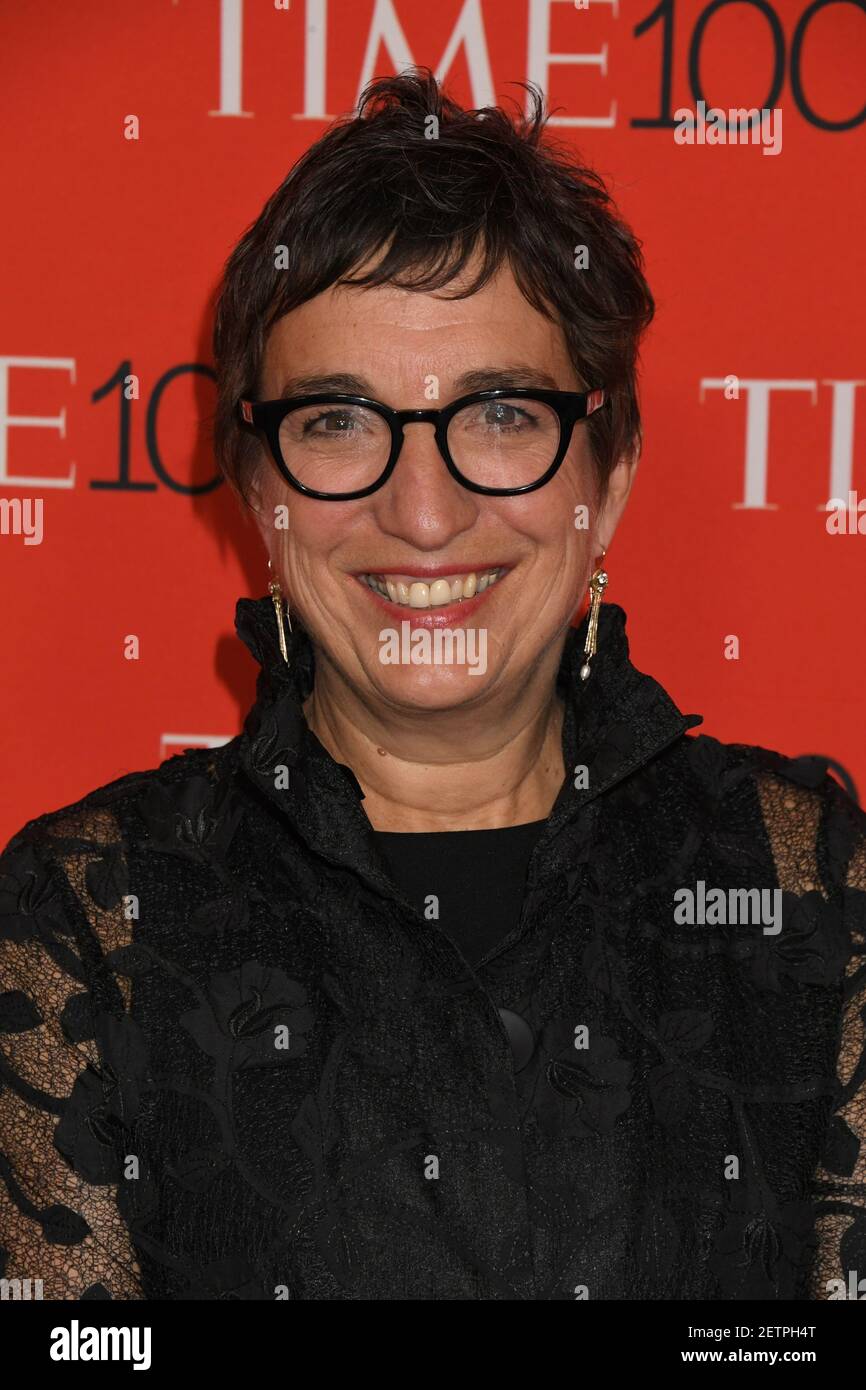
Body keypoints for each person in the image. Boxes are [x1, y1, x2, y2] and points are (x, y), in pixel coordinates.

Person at [1, 69, 864, 1302]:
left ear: (605, 475)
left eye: (500, 413)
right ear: (261, 494)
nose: (423, 512)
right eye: (340, 422)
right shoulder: (86, 920)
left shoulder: (805, 886)